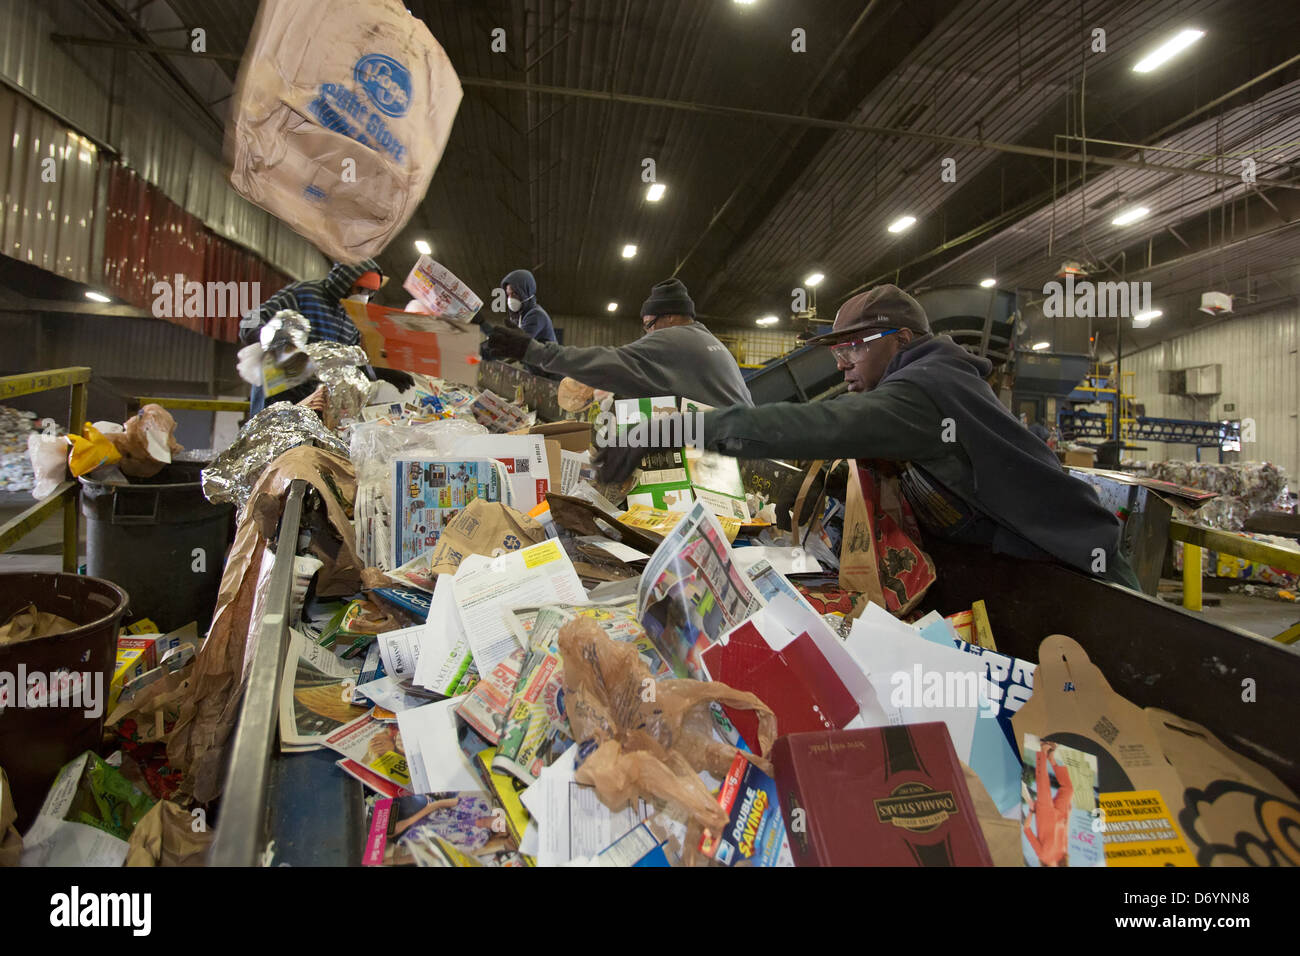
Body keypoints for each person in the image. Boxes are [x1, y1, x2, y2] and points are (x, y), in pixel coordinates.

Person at [598, 283, 1140, 589]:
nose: (842, 363)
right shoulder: (931, 379)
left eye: (855, 347)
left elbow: (814, 427)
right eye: (838, 351)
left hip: (1087, 578)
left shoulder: (923, 391)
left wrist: (673, 427)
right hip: (1031, 566)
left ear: (899, 339)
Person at [483, 278, 753, 408]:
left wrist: (532, 350)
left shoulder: (673, 338)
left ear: (669, 317)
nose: (648, 333)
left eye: (649, 325)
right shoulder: (706, 339)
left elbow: (609, 361)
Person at [240, 258, 412, 413]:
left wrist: (377, 372)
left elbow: (342, 364)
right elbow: (250, 321)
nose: (363, 296)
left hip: (315, 400)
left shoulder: (351, 316)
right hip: (280, 392)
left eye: (369, 293)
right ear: (344, 282)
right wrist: (273, 342)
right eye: (360, 289)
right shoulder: (304, 294)